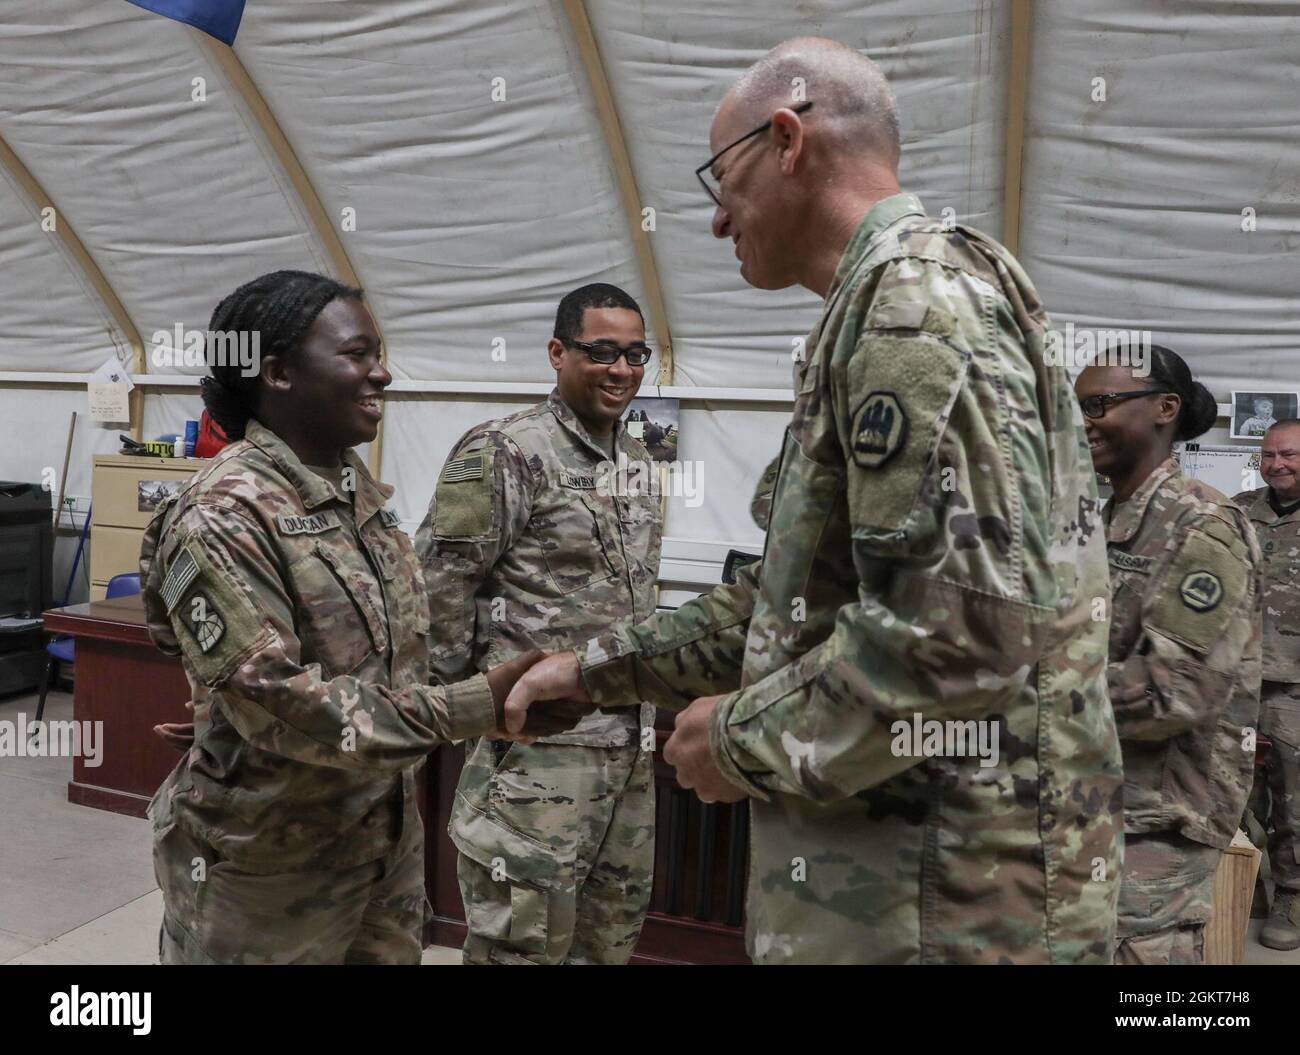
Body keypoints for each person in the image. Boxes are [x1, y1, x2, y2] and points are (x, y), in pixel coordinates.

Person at [502, 37, 1124, 964]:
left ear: (788, 140)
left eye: (722, 179)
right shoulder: (882, 308)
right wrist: (591, 669)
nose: (718, 219)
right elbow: (788, 601)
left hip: (944, 908)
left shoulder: (916, 310)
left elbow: (958, 639)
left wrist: (737, 739)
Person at [140, 270, 567, 965]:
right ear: (277, 372)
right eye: (357, 354)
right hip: (269, 868)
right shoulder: (224, 512)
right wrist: (472, 706)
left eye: (379, 354)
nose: (382, 374)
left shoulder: (354, 496)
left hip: (380, 843)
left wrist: (226, 704)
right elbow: (278, 701)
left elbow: (374, 657)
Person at [416, 283, 661, 964]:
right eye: (601, 352)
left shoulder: (640, 463)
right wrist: (464, 710)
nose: (621, 369)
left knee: (606, 941)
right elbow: (438, 591)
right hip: (535, 753)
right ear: (557, 352)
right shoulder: (506, 450)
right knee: (519, 946)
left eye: (635, 354)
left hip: (627, 751)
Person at [1075, 345, 1261, 965]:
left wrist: (1022, 692)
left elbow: (1171, 694)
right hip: (1104, 793)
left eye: (1099, 404)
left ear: (1165, 408)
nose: (1083, 422)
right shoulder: (1110, 519)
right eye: (1076, 408)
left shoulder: (1202, 525)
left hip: (1159, 813)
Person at [1233, 419, 1300, 949]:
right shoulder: (1237, 511)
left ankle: (1293, 894)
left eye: (1290, 454)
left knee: (1294, 798)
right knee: (1234, 789)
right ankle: (1246, 881)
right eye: (1269, 455)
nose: (1277, 464)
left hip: (1295, 686)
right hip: (1235, 680)